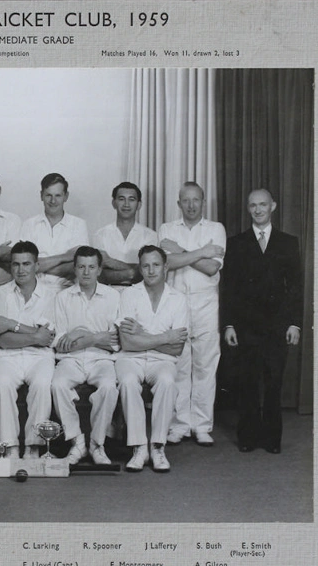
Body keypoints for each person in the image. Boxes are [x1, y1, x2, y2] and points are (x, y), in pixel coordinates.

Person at [222, 189, 303, 454]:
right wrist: (229, 324)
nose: (258, 210)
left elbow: (295, 287)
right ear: (248, 209)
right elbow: (229, 288)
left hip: (277, 325)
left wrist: (294, 323)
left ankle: (271, 439)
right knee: (247, 382)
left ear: (273, 206)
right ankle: (247, 436)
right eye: (253, 205)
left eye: (263, 205)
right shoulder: (236, 243)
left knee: (273, 382)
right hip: (246, 325)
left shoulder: (288, 242)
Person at [158, 181, 226, 447]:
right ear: (178, 203)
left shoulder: (215, 229)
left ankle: (201, 425)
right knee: (179, 364)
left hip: (206, 303)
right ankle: (179, 424)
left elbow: (212, 268)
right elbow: (167, 264)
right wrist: (199, 252)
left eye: (196, 200)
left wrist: (181, 252)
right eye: (185, 200)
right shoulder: (166, 230)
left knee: (205, 365)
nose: (191, 205)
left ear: (203, 201)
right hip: (175, 304)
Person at [116, 246, 189, 472]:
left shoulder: (178, 299)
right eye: (146, 266)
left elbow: (176, 348)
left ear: (166, 267)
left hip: (162, 360)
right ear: (140, 268)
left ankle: (158, 446)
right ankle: (139, 447)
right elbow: (127, 343)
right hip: (130, 358)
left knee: (167, 382)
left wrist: (142, 334)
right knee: (127, 382)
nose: (151, 270)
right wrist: (165, 336)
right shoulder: (128, 294)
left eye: (156, 265)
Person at [51, 246, 120, 465]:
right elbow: (60, 343)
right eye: (81, 267)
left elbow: (113, 340)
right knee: (58, 385)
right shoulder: (63, 297)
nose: (86, 272)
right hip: (71, 359)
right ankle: (77, 442)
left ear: (100, 270)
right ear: (75, 269)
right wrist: (95, 336)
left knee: (109, 387)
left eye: (91, 267)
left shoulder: (113, 296)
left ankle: (97, 444)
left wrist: (82, 336)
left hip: (102, 358)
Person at [0, 241, 57, 460]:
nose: (21, 269)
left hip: (40, 357)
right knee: (1, 384)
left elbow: (47, 338)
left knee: (41, 384)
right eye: (16, 264)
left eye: (26, 264)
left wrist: (12, 324)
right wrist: (33, 335)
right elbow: (3, 341)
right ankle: (9, 446)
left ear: (37, 265)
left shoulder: (51, 295)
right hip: (7, 357)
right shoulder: (0, 294)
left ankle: (33, 446)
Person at [19, 173, 89, 291]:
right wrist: (64, 257)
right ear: (41, 196)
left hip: (68, 291)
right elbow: (23, 265)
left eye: (58, 195)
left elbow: (78, 267)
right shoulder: (29, 224)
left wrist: (38, 265)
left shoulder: (79, 225)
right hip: (34, 291)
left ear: (66, 196)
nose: (53, 201)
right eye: (48, 195)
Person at [93, 182, 158, 288]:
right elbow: (100, 275)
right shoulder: (100, 235)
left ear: (139, 205)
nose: (126, 204)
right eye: (121, 199)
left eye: (131, 199)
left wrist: (110, 262)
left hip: (139, 294)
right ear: (114, 203)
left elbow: (147, 273)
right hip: (107, 294)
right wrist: (133, 270)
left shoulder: (150, 236)